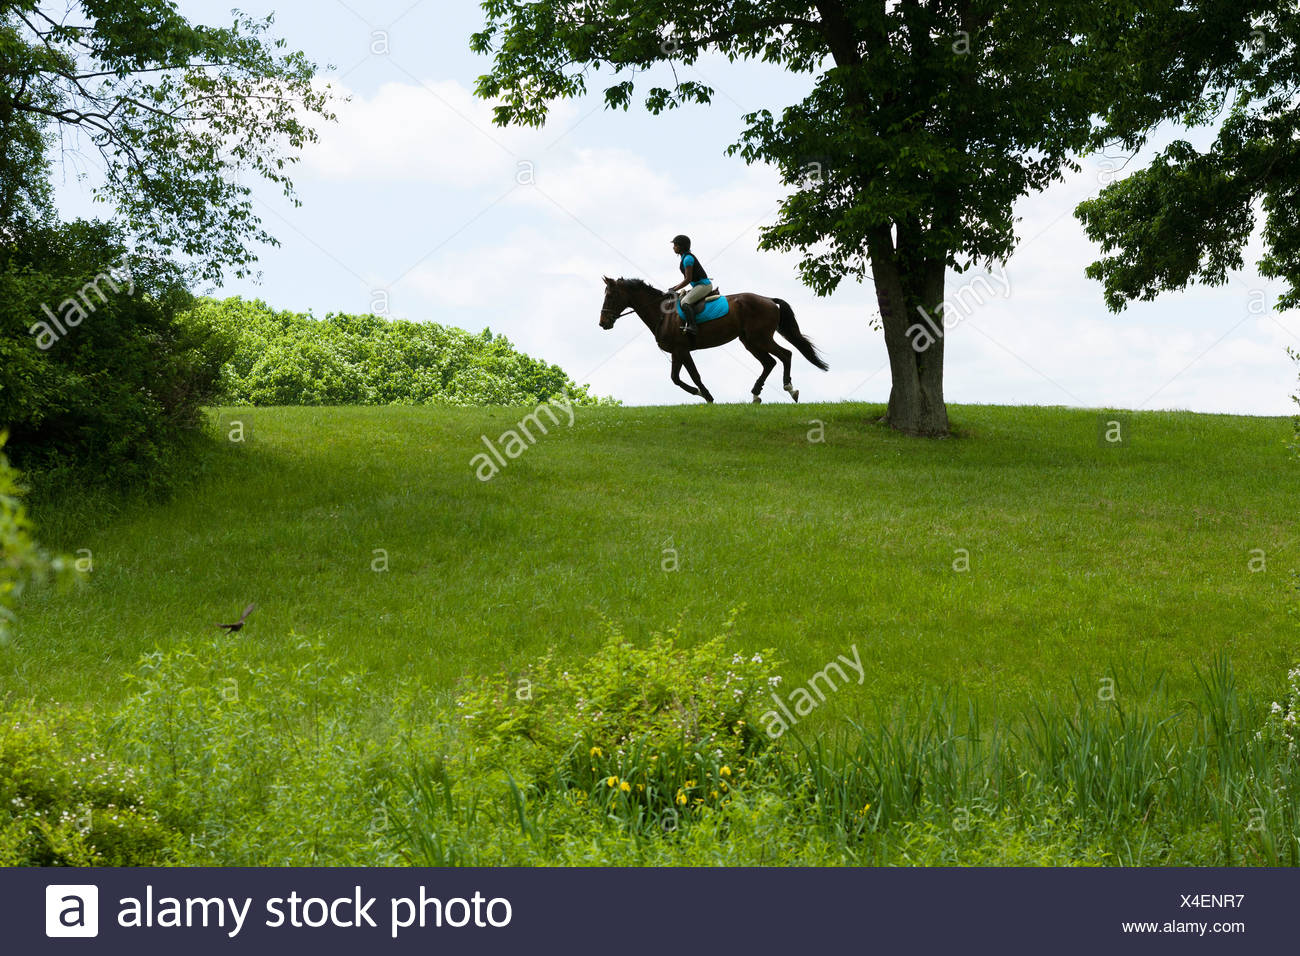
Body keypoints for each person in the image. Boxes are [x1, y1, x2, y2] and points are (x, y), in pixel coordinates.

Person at [669, 235, 713, 336]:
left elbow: (688, 279)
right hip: (698, 286)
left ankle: (693, 327)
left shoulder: (687, 259)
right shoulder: (685, 258)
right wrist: (673, 288)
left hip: (704, 285)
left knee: (685, 302)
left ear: (681, 246)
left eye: (675, 245)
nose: (673, 247)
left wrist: (674, 288)